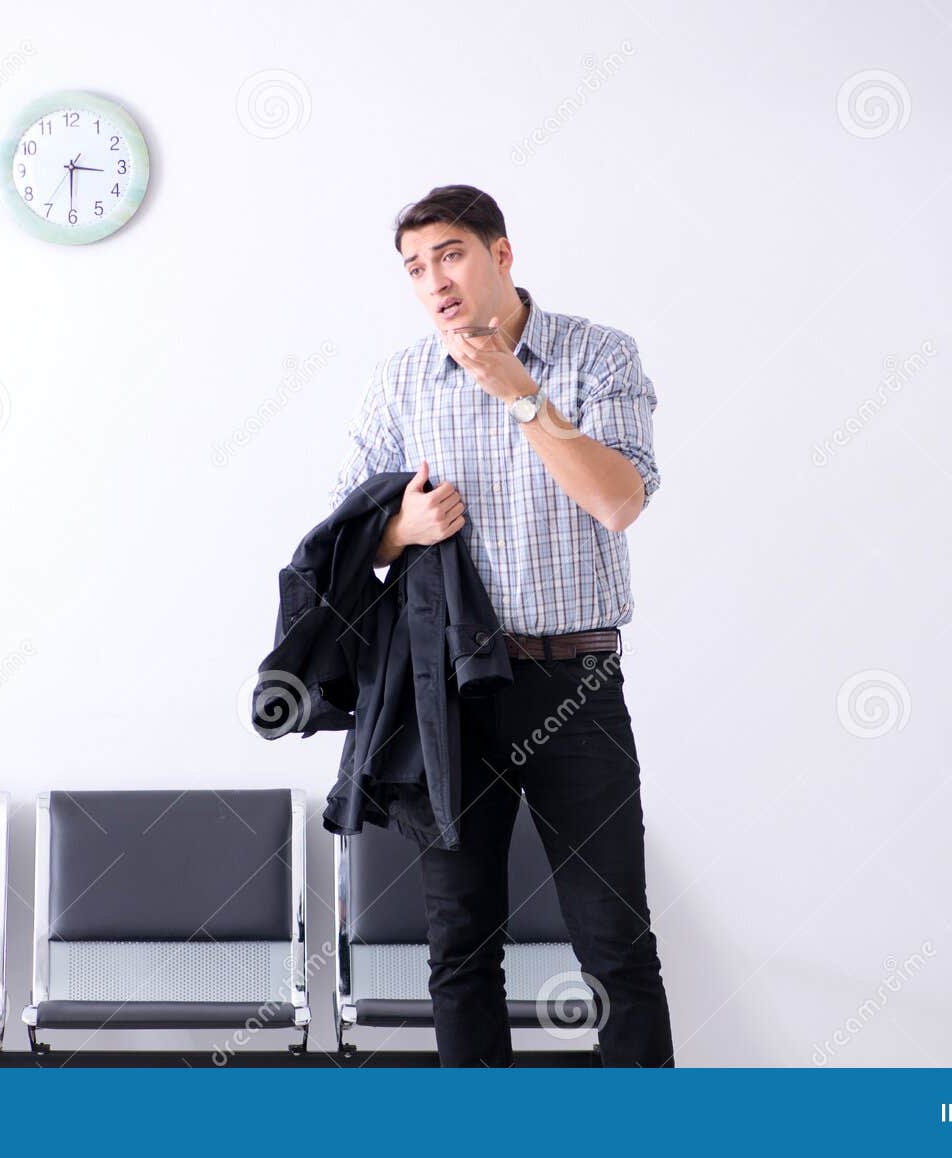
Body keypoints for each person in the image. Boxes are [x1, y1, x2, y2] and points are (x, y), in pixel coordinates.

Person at [328, 184, 675, 1067]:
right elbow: (344, 535)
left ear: (501, 254)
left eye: (449, 254)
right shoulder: (402, 380)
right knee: (460, 948)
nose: (434, 280)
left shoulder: (596, 356)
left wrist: (520, 393)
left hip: (575, 684)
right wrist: (405, 528)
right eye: (414, 267)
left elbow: (619, 499)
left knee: (615, 947)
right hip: (450, 697)